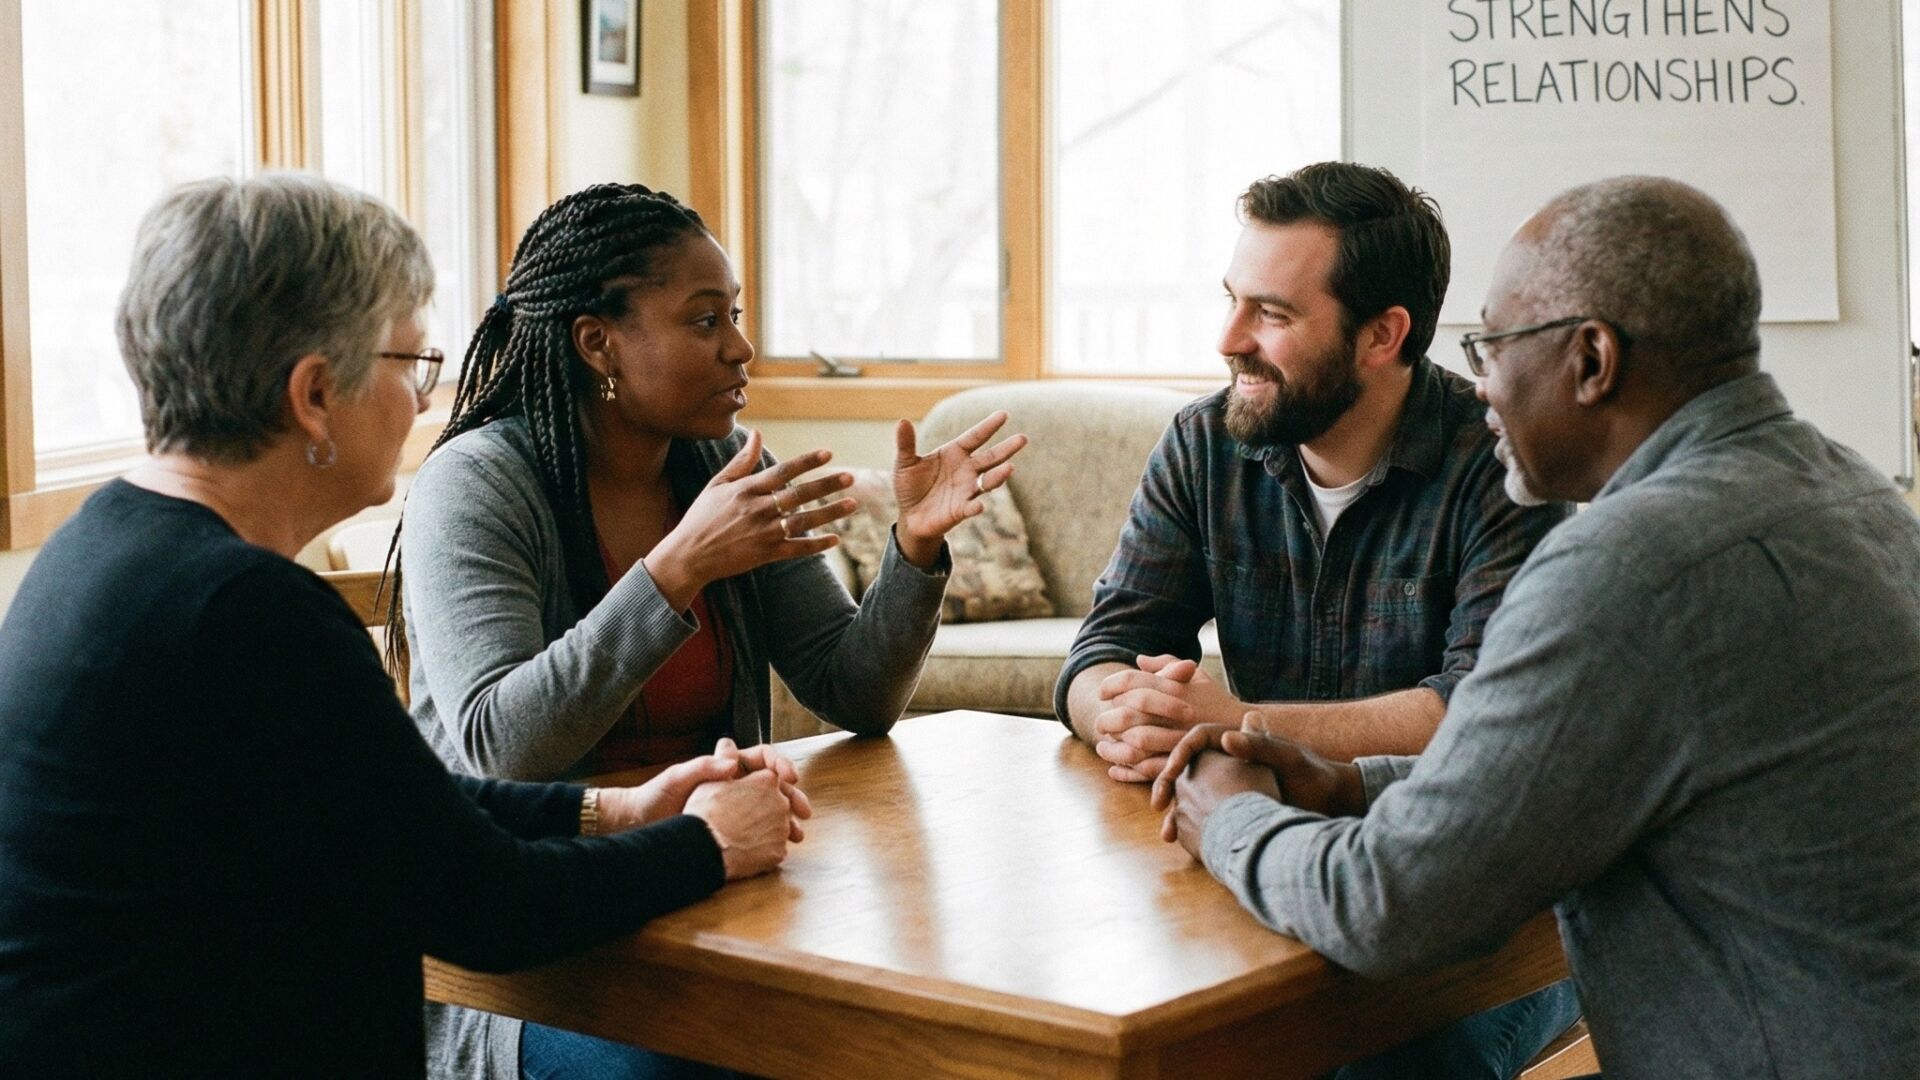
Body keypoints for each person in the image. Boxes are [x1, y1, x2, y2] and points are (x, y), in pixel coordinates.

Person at [0, 175, 810, 1078]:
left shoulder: (98, 551)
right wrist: (707, 843)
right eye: (413, 365)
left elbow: (389, 812)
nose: (428, 400)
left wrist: (608, 810)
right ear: (314, 396)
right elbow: (483, 904)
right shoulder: (246, 614)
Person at [1153, 176, 1920, 1079]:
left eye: (1493, 346)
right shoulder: (1853, 491)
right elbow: (1614, 764)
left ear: (1591, 360)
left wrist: (1232, 816)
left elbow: (1384, 906)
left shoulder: (1631, 565)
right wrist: (1353, 782)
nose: (1480, 386)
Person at [392, 183, 1024, 1078]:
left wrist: (913, 550)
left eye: (734, 314)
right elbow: (502, 746)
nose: (741, 347)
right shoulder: (480, 484)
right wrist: (676, 569)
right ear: (597, 341)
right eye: (703, 321)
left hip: (713, 895)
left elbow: (855, 691)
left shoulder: (720, 469)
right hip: (535, 947)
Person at [1055, 161, 1578, 1078]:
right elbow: (1104, 649)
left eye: (1273, 314)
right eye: (1232, 301)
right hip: (1272, 854)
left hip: (1490, 907)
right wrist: (1123, 708)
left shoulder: (1503, 464)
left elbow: (1477, 715)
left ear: (1382, 335)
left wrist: (1232, 725)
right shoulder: (1203, 443)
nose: (1228, 339)